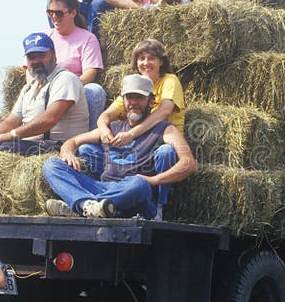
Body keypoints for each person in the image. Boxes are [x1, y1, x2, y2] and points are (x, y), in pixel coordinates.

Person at [42, 74, 196, 220]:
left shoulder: (164, 129)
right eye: (129, 97)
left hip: (135, 195)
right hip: (102, 187)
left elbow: (188, 163)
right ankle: (87, 205)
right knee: (51, 165)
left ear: (151, 102)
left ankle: (81, 206)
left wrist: (154, 180)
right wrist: (68, 152)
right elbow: (73, 142)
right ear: (123, 101)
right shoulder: (113, 128)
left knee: (138, 183)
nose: (134, 102)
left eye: (140, 98)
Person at [82, 39, 186, 219]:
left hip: (161, 140)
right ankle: (106, 193)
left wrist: (131, 134)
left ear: (161, 61)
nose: (146, 63)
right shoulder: (133, 86)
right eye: (141, 58)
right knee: (86, 149)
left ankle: (158, 205)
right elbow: (105, 116)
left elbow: (164, 111)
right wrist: (104, 130)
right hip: (137, 145)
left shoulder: (169, 80)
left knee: (165, 152)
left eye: (151, 58)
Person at [0, 32, 89, 161]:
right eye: (31, 57)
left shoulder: (65, 79)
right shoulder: (29, 88)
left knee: (2, 148)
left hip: (59, 148)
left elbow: (50, 119)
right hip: (34, 146)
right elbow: (11, 120)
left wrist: (11, 135)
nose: (36, 61)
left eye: (41, 55)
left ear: (54, 56)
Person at [47, 0, 107, 130]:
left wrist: (67, 89)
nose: (54, 17)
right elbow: (29, 69)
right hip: (47, 89)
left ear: (73, 13)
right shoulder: (44, 38)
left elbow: (90, 73)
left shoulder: (87, 38)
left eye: (59, 13)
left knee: (95, 91)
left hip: (75, 90)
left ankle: (87, 140)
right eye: (50, 13)